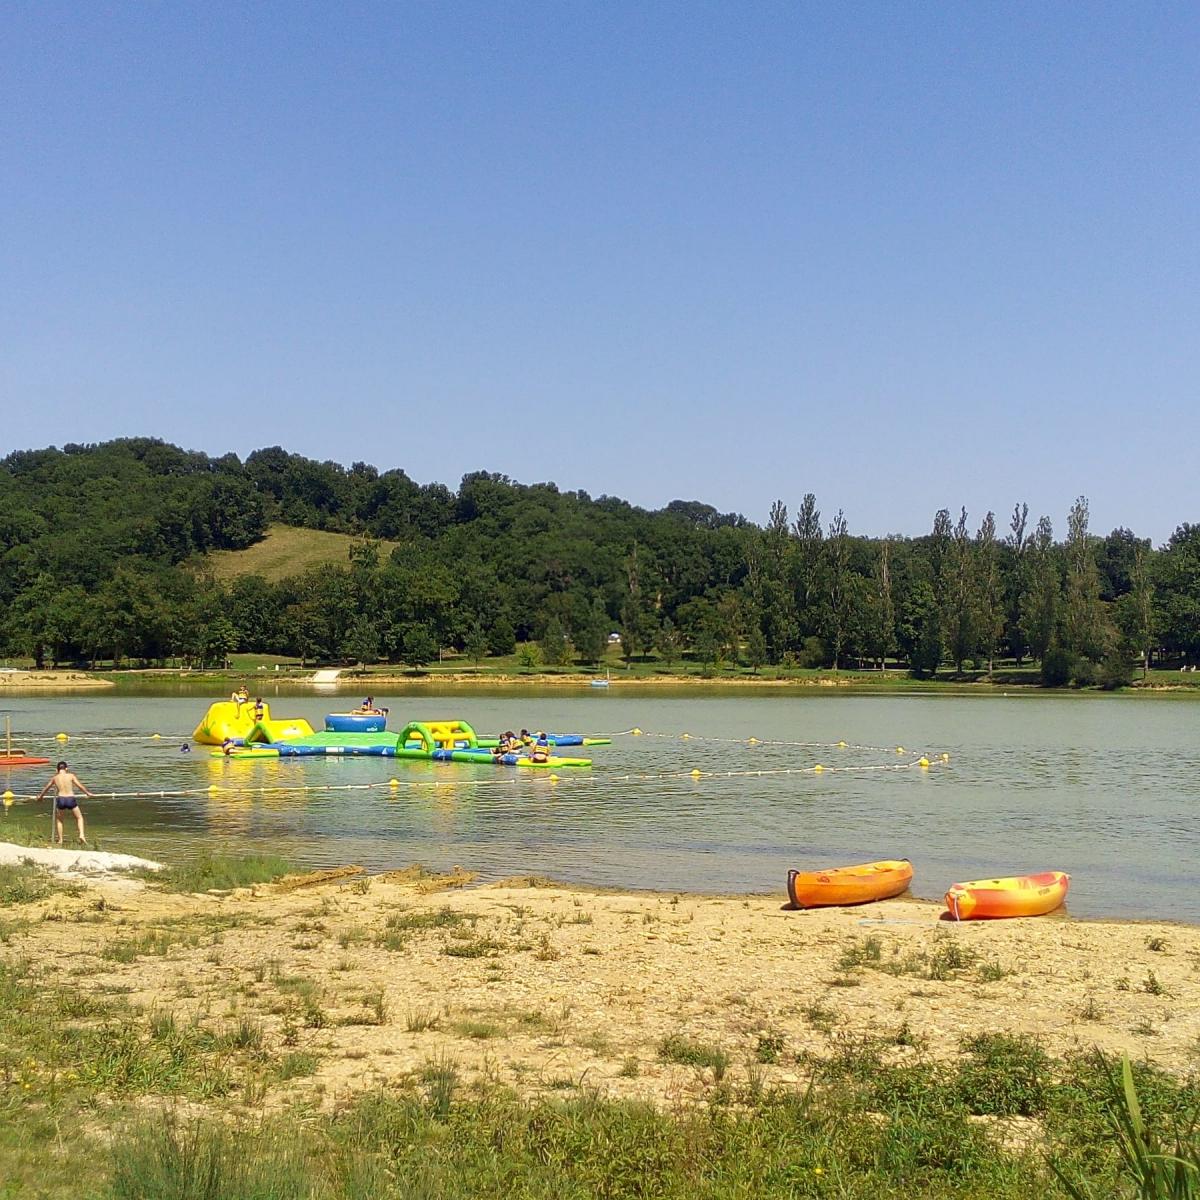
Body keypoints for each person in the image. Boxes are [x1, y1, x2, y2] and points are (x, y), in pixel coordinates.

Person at [36, 761, 94, 845]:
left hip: (61, 799)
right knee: (79, 817)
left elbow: (46, 788)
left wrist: (40, 797)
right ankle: (81, 835)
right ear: (66, 769)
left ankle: (60, 840)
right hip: (70, 798)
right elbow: (79, 786)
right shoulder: (71, 776)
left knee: (60, 820)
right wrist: (87, 793)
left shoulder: (55, 778)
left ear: (57, 770)